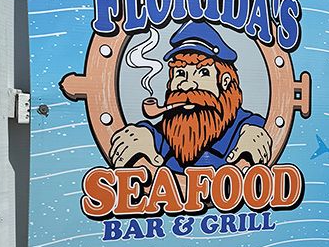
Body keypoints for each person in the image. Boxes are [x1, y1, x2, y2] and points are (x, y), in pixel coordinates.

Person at [108, 21, 271, 173]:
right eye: (180, 73)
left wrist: (257, 133)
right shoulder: (167, 132)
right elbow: (156, 134)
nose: (186, 85)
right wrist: (142, 134)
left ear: (225, 81)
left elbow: (253, 127)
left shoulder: (244, 129)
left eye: (203, 72)